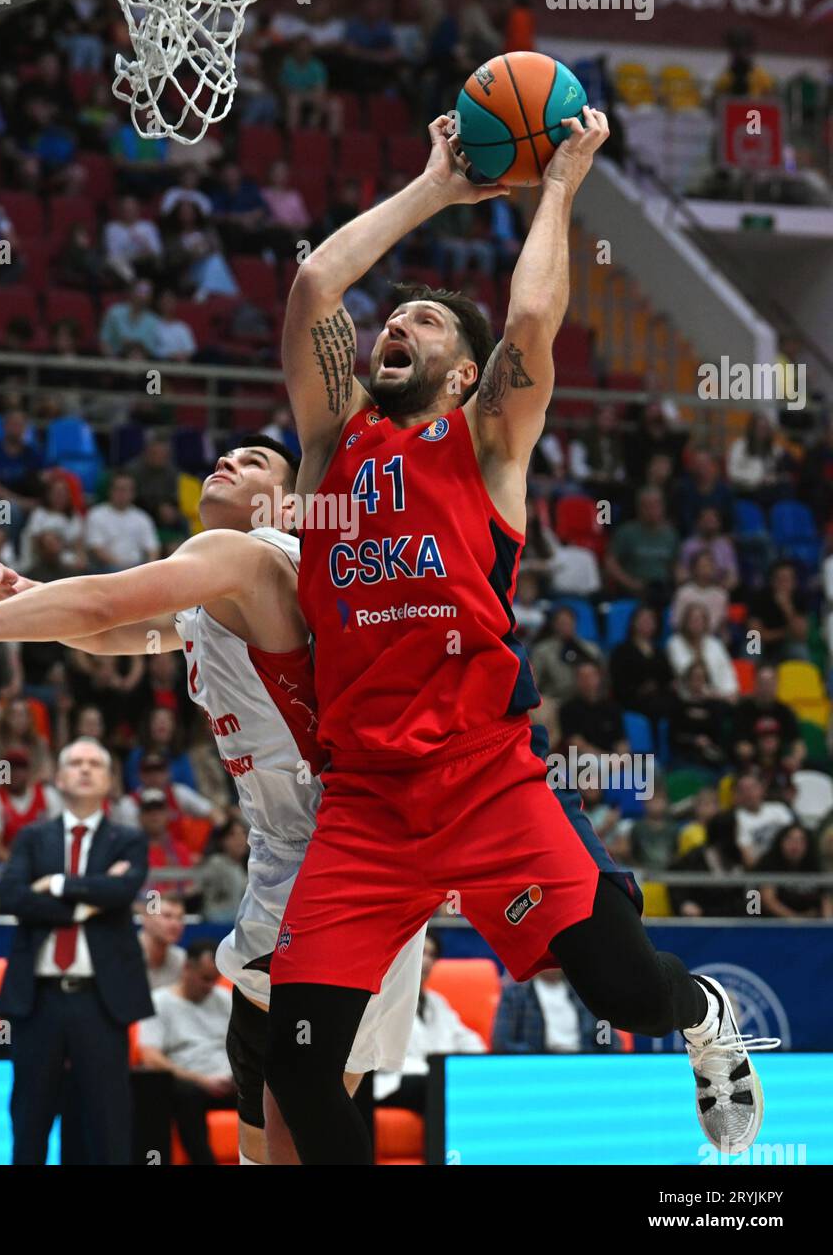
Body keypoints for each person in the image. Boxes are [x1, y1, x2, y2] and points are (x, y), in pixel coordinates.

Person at [263, 106, 775, 1164]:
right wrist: (436, 189)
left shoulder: (485, 439)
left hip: (488, 780)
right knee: (300, 1057)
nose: (396, 324)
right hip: (364, 804)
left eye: (426, 324)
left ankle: (706, 1015)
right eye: (392, 319)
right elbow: (317, 288)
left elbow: (530, 326)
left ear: (463, 373)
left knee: (626, 992)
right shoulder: (329, 449)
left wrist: (562, 186)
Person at [0, 435, 426, 1167]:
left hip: (344, 863)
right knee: (268, 1126)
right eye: (224, 454)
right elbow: (108, 630)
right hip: (291, 860)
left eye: (253, 461)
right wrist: (25, 594)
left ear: (286, 504)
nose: (227, 461)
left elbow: (100, 598)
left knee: (296, 1125)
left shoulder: (246, 556)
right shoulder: (209, 594)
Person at [0, 738, 151, 1164]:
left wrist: (57, 885)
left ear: (109, 780)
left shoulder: (128, 839)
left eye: (95, 764)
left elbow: (124, 891)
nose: (84, 770)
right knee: (30, 1119)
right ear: (58, 778)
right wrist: (89, 903)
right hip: (38, 999)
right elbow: (10, 896)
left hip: (100, 1001)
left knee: (109, 1122)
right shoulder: (31, 837)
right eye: (75, 763)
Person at [136, 940, 236, 1164]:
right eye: (205, 978)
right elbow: (150, 1057)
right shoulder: (159, 1002)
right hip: (189, 1083)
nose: (210, 986)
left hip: (229, 1082)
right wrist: (201, 1080)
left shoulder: (226, 999)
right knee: (186, 1095)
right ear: (187, 968)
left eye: (215, 979)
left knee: (266, 1091)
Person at [373, 931, 487, 1112]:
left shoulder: (437, 1002)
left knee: (464, 1084)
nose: (426, 961)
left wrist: (480, 1063)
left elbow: (467, 1040)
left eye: (432, 955)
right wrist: (432, 1068)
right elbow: (380, 1060)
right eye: (421, 952)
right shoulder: (384, 998)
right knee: (432, 1087)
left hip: (435, 1077)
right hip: (394, 1082)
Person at [493, 968, 623, 1054]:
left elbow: (608, 1038)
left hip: (583, 1064)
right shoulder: (515, 995)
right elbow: (502, 1044)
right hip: (539, 1067)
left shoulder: (585, 993)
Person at [0, 747, 63, 862]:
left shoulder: (49, 796)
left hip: (43, 861)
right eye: (10, 768)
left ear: (28, 772)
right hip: (6, 865)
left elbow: (58, 837)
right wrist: (20, 866)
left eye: (20, 768)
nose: (15, 773)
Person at [138, 891, 188, 991]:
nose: (175, 924)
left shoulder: (182, 961)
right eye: (167, 916)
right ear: (146, 918)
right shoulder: (121, 955)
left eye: (180, 918)